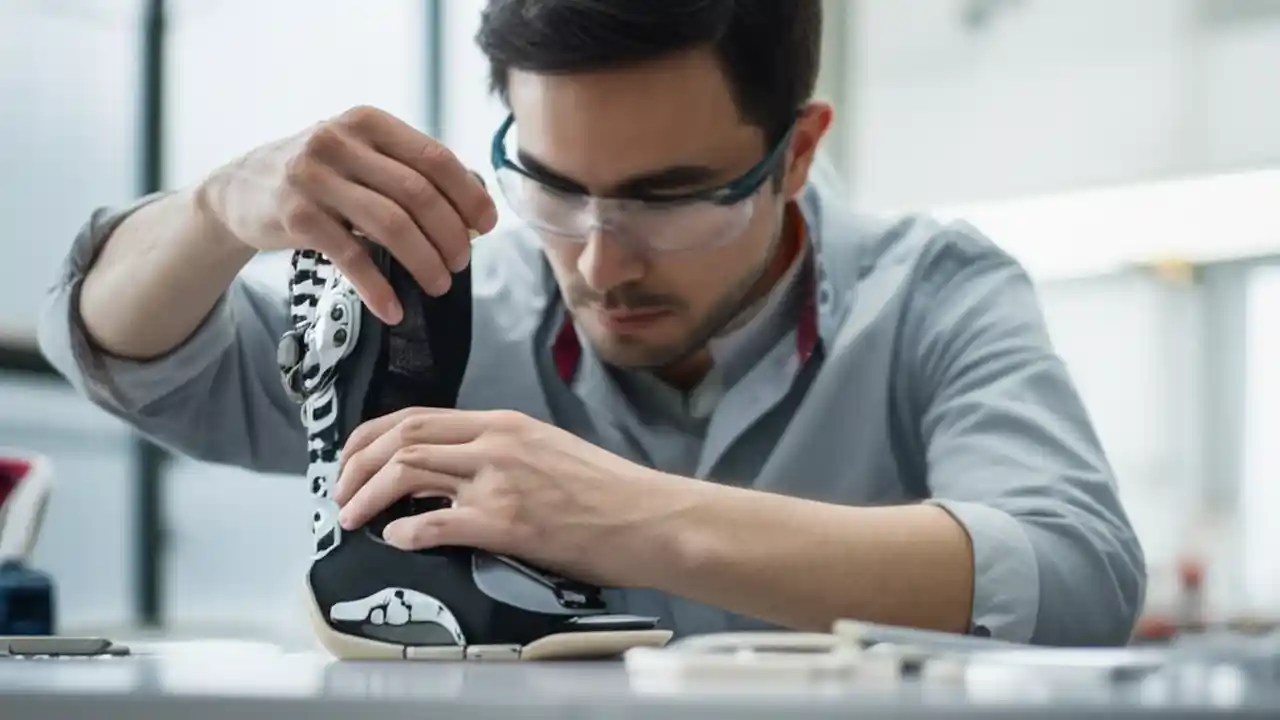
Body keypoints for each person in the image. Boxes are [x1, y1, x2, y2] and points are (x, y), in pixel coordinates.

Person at [37, 0, 1144, 646]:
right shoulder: (445, 308)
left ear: (797, 151)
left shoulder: (932, 295)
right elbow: (141, 364)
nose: (602, 263)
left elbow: (1073, 573)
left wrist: (632, 518)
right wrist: (212, 211)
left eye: (673, 198)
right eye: (556, 188)